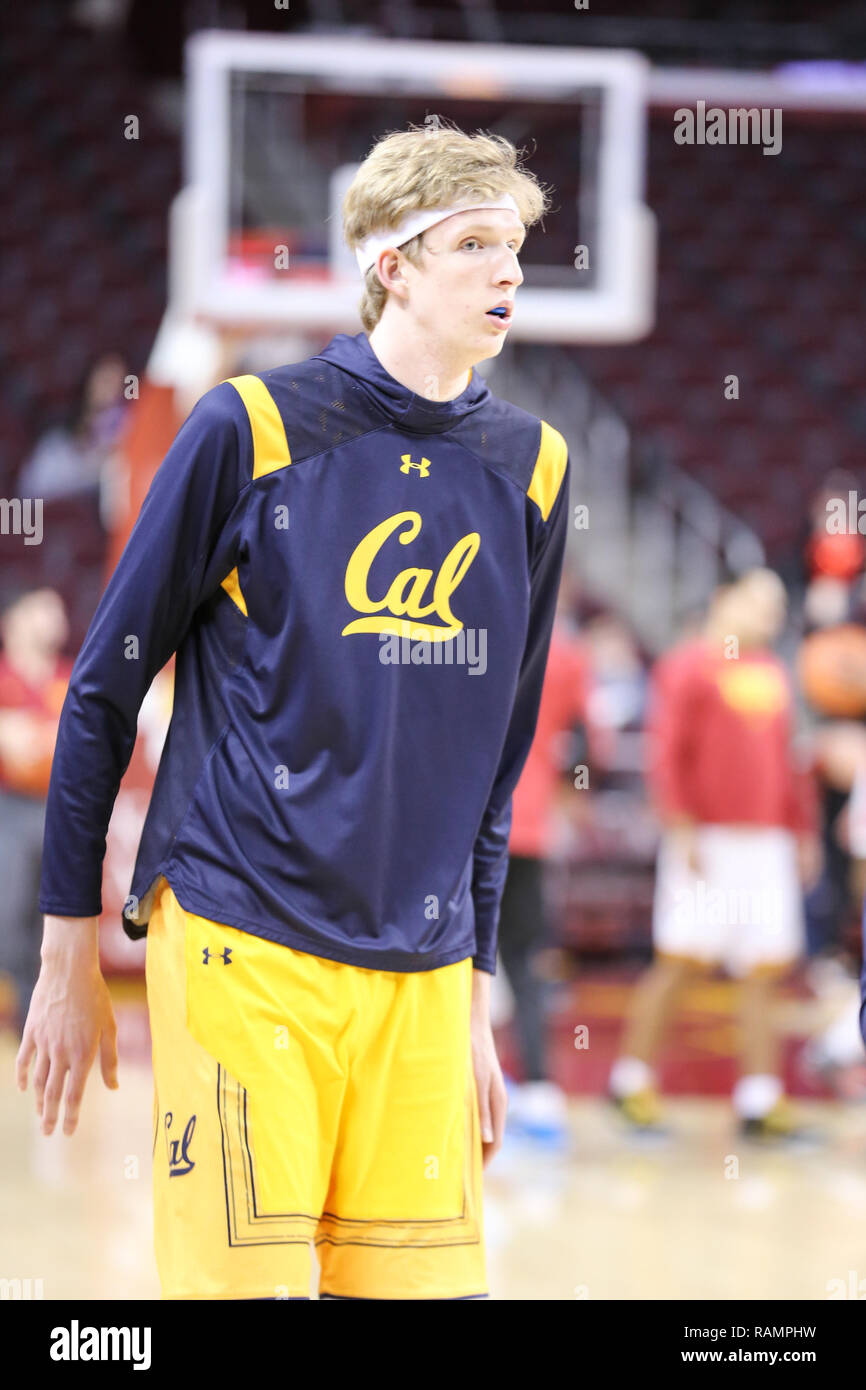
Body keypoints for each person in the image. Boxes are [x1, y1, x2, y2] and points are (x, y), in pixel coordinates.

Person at [16, 121, 571, 1301]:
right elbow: (104, 688)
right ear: (391, 267)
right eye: (473, 244)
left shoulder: (534, 468)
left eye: (515, 246)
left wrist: (471, 993)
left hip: (422, 972)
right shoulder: (250, 429)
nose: (507, 271)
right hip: (240, 936)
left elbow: (497, 754)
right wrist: (67, 946)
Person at [608, 569, 822, 1143]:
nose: (770, 617)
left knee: (764, 969)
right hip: (706, 839)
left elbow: (791, 764)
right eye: (760, 603)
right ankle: (630, 1084)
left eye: (777, 608)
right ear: (724, 598)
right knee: (680, 959)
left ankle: (759, 1099)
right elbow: (666, 755)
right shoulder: (686, 665)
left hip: (766, 842)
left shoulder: (774, 673)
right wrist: (680, 830)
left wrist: (802, 834)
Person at [498, 586, 596, 1147]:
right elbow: (584, 742)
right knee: (526, 960)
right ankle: (538, 1093)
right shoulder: (569, 652)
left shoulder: (467, 631)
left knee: (457, 959)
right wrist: (571, 797)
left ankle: (459, 1087)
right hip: (531, 826)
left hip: (469, 824)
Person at [0, 587, 71, 1033]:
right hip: (10, 807)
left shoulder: (69, 677)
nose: (54, 617)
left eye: (57, 608)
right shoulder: (6, 677)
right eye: (43, 608)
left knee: (54, 913)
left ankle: (36, 1012)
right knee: (11, 908)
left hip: (60, 811)